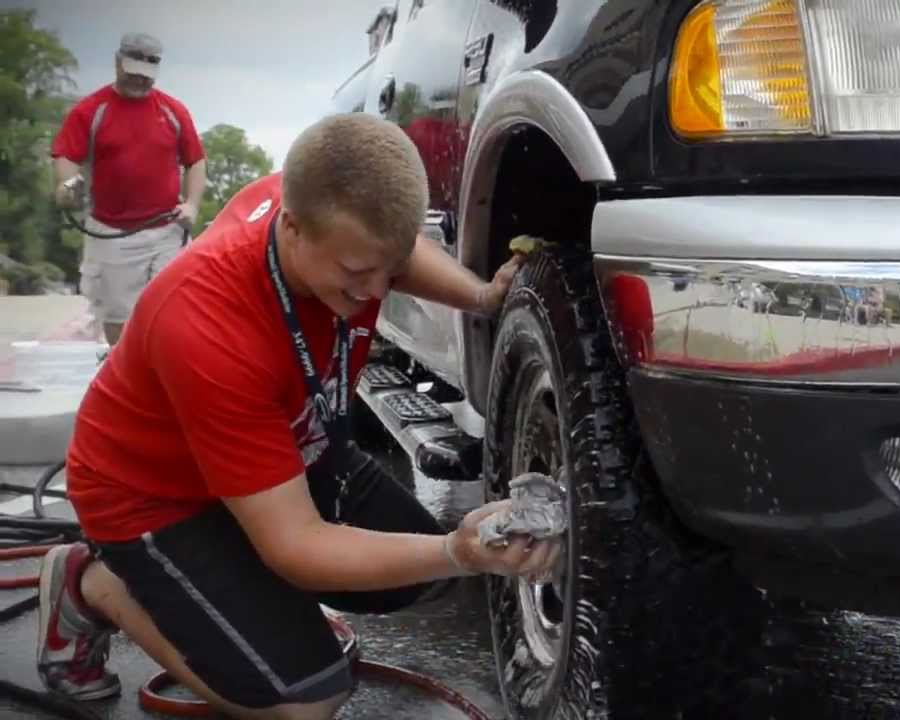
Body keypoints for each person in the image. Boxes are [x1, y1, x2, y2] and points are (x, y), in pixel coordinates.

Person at [35, 113, 559, 719]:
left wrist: (481, 296)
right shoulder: (206, 325)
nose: (374, 292)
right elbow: (296, 546)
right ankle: (92, 586)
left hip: (287, 446)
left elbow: (390, 246)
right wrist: (458, 550)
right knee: (308, 700)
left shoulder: (326, 207)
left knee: (413, 575)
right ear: (292, 228)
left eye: (388, 271)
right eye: (357, 274)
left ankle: (242, 594)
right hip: (155, 499)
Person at [51, 32, 207, 347]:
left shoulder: (173, 111)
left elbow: (196, 161)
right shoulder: (91, 110)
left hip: (166, 228)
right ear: (118, 64)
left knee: (171, 307)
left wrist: (191, 204)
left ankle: (162, 373)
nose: (140, 81)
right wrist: (67, 186)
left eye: (146, 77)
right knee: (118, 316)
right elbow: (66, 156)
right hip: (111, 232)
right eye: (133, 74)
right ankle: (122, 370)